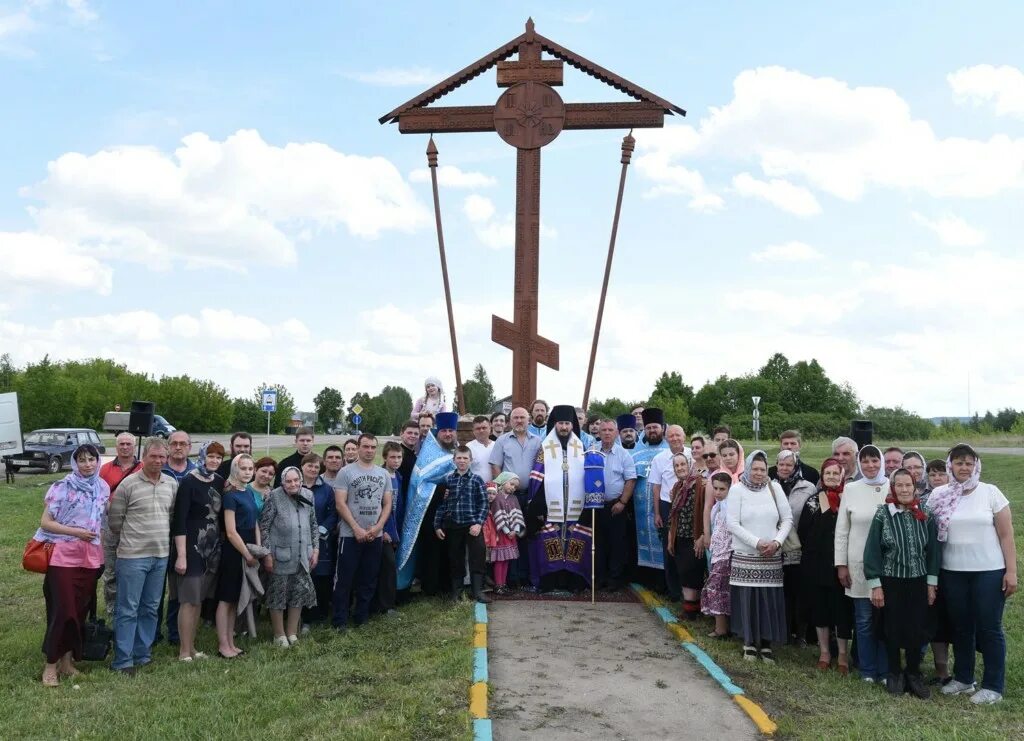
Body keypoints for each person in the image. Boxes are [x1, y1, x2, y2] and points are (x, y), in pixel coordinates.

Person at [931, 444, 1017, 704]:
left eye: (969, 462)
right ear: (951, 466)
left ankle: (993, 686)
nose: (964, 467)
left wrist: (1011, 571)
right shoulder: (939, 494)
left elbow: (1006, 534)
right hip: (953, 571)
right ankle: (964, 678)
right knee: (961, 627)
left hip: (988, 572)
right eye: (959, 463)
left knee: (989, 628)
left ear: (976, 465)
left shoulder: (991, 493)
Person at [34, 444, 108, 687]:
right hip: (62, 557)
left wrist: (103, 555)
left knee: (79, 611)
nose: (88, 464)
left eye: (91, 459)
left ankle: (67, 663)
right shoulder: (62, 487)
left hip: (90, 557)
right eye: (82, 460)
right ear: (75, 463)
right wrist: (75, 532)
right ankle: (50, 666)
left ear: (98, 461)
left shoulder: (102, 487)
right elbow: (45, 522)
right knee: (62, 611)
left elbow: (101, 523)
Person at [864, 467, 940, 699]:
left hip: (918, 580)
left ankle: (914, 674)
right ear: (893, 488)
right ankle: (895, 672)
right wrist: (875, 584)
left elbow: (933, 552)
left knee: (917, 627)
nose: (904, 489)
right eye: (900, 485)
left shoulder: (926, 513)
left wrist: (931, 583)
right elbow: (872, 551)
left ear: (915, 487)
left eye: (908, 485)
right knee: (893, 628)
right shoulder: (883, 514)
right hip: (891, 580)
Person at [108, 438, 178, 675]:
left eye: (162, 457)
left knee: (150, 607)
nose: (158, 461)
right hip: (132, 556)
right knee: (128, 608)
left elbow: (171, 516)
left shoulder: (171, 484)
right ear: (144, 457)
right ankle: (123, 659)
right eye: (153, 456)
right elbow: (115, 522)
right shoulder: (128, 485)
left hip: (160, 555)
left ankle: (143, 653)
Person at [726, 450, 792, 663]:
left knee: (767, 600)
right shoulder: (737, 490)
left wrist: (777, 542)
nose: (758, 473)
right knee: (748, 598)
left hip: (771, 555)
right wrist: (756, 542)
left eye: (762, 469)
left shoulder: (775, 488)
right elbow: (732, 523)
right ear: (747, 468)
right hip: (746, 553)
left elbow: (787, 519)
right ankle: (748, 642)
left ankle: (766, 643)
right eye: (754, 469)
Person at [834, 444, 889, 682]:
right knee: (864, 620)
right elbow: (842, 530)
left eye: (874, 461)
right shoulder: (851, 488)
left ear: (882, 462)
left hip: (887, 565)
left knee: (885, 620)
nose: (870, 465)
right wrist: (841, 564)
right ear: (859, 463)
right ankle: (867, 669)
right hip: (857, 564)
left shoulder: (892, 485)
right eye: (865, 461)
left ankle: (887, 669)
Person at [525, 405, 592, 592]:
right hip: (550, 506)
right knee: (549, 543)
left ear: (573, 426)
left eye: (567, 424)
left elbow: (588, 476)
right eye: (561, 423)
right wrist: (538, 504)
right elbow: (536, 477)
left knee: (574, 542)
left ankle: (574, 582)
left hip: (575, 508)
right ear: (555, 425)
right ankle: (549, 581)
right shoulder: (545, 448)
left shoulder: (581, 448)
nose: (564, 427)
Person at [170, 442, 225, 661]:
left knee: (199, 599)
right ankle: (184, 651)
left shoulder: (219, 482)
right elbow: (179, 522)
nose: (214, 461)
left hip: (212, 549)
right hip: (191, 548)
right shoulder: (188, 482)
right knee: (188, 600)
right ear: (202, 456)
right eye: (210, 456)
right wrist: (181, 555)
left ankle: (192, 647)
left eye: (218, 458)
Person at [799, 458, 854, 674]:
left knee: (841, 611)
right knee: (820, 609)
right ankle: (824, 652)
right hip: (817, 564)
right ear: (822, 476)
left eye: (835, 473)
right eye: (828, 473)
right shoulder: (814, 501)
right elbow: (803, 531)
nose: (831, 477)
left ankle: (842, 655)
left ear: (842, 476)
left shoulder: (849, 499)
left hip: (843, 565)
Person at [333, 435, 392, 628]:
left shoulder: (382, 474)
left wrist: (378, 528)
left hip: (374, 535)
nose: (369, 450)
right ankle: (340, 620)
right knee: (345, 579)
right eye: (365, 446)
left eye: (373, 447)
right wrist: (356, 528)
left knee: (368, 578)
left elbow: (387, 504)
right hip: (350, 536)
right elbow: (340, 504)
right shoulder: (345, 472)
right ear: (358, 448)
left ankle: (362, 617)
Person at [398, 413, 458, 594]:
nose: (448, 434)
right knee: (432, 549)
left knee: (448, 548)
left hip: (449, 511)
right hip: (428, 510)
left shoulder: (454, 452)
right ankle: (431, 587)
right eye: (444, 431)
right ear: (437, 432)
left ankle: (446, 585)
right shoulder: (429, 452)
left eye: (451, 431)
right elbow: (421, 482)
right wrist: (441, 491)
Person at [260, 467, 318, 647]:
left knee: (298, 594)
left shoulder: (308, 495)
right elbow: (264, 527)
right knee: (278, 595)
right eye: (288, 481)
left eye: (296, 480)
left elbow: (314, 523)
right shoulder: (274, 496)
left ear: (301, 480)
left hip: (303, 554)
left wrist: (315, 549)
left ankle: (292, 632)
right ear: (282, 482)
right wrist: (267, 554)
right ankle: (279, 635)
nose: (293, 484)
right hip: (280, 556)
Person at [488, 407, 542, 588]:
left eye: (522, 418)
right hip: (509, 496)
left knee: (528, 533)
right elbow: (496, 466)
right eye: (515, 418)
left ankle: (528, 575)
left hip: (531, 495)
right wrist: (501, 491)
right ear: (510, 421)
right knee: (509, 536)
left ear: (529, 420)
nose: (519, 421)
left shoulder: (538, 441)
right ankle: (512, 578)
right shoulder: (502, 441)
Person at [434, 445, 490, 602]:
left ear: (471, 461)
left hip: (472, 526)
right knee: (455, 559)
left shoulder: (477, 480)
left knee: (477, 558)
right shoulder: (448, 480)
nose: (462, 461)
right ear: (454, 460)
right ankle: (456, 592)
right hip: (454, 525)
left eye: (465, 458)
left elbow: (484, 504)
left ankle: (477, 591)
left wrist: (478, 523)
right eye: (459, 457)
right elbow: (442, 505)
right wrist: (437, 525)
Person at [772, 449, 816, 644]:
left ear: (796, 466)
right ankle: (783, 631)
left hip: (798, 547)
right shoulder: (770, 486)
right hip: (776, 547)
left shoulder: (807, 487)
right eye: (781, 464)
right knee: (781, 592)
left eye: (789, 465)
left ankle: (800, 634)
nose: (784, 468)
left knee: (799, 592)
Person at [217, 453, 258, 658]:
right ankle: (223, 644)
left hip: (249, 550)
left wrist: (258, 549)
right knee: (226, 599)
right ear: (235, 469)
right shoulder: (230, 495)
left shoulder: (248, 492)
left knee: (235, 598)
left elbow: (255, 523)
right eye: (243, 468)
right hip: (234, 552)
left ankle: (231, 642)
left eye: (250, 469)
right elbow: (231, 531)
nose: (247, 472)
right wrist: (246, 553)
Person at [98, 432, 140, 619]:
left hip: (136, 526)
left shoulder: (143, 468)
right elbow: (98, 498)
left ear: (134, 446)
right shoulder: (105, 469)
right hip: (111, 524)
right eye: (121, 444)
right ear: (116, 447)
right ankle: (112, 607)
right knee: (111, 569)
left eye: (128, 444)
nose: (125, 447)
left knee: (133, 569)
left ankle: (132, 606)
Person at [594, 419, 637, 591]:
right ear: (599, 432)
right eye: (603, 430)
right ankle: (598, 577)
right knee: (598, 543)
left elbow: (631, 479)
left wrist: (622, 502)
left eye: (610, 430)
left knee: (616, 544)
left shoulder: (623, 454)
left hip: (615, 506)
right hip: (594, 505)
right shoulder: (591, 451)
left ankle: (614, 578)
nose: (606, 433)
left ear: (616, 432)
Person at [629, 408, 670, 576]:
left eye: (655, 427)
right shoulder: (636, 453)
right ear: (644, 430)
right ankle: (645, 578)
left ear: (662, 428)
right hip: (639, 510)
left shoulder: (670, 451)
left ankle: (665, 580)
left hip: (662, 506)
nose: (652, 431)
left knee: (663, 541)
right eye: (649, 428)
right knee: (641, 540)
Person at [666, 452, 706, 620]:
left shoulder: (700, 485)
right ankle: (690, 608)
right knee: (683, 571)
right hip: (679, 536)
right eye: (677, 465)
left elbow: (706, 512)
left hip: (694, 536)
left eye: (683, 464)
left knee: (692, 572)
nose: (680, 468)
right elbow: (673, 516)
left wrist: (703, 535)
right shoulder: (677, 487)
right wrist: (670, 538)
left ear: (690, 465)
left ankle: (691, 611)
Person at [300, 453, 338, 629]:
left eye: (316, 467)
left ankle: (320, 615)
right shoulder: (294, 485)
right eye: (310, 466)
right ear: (302, 467)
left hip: (321, 540)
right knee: (302, 578)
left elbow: (333, 513)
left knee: (321, 578)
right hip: (297, 539)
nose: (313, 470)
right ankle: (303, 617)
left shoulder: (326, 489)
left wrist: (322, 530)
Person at [373, 441, 404, 614]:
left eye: (399, 457)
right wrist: (382, 530)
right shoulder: (379, 475)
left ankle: (385, 603)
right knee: (387, 566)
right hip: (382, 530)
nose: (396, 460)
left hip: (394, 529)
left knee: (389, 566)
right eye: (392, 457)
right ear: (385, 458)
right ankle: (386, 606)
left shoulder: (398, 476)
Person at [701, 472, 733, 639]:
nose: (718, 492)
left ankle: (722, 628)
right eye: (715, 488)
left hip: (727, 554)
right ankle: (722, 626)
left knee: (717, 589)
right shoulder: (716, 507)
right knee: (718, 588)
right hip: (717, 552)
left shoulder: (730, 506)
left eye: (722, 489)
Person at [488, 472, 525, 595]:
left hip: (511, 535)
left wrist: (516, 530)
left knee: (507, 560)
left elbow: (518, 515)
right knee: (500, 560)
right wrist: (507, 531)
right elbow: (497, 516)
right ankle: (498, 585)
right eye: (511, 484)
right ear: (503, 482)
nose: (513, 488)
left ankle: (503, 584)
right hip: (501, 535)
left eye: (515, 486)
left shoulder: (514, 499)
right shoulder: (496, 497)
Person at [467, 415, 495, 483]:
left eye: (484, 427)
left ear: (490, 428)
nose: (481, 430)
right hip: (475, 487)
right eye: (478, 428)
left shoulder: (496, 445)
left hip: (495, 488)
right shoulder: (469, 447)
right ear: (473, 431)